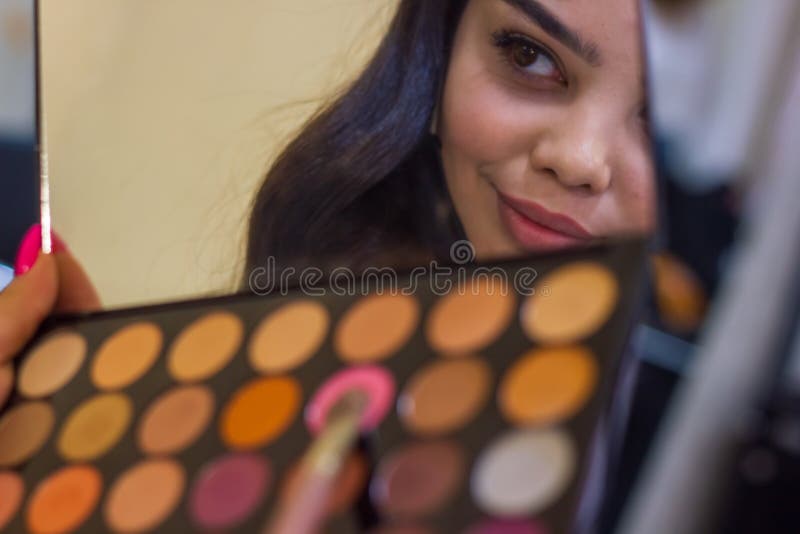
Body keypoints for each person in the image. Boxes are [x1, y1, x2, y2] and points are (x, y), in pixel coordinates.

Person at [0, 0, 654, 529]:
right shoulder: (319, 313)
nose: (577, 158)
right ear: (438, 53)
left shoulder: (684, 445)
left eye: (656, 122)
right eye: (529, 55)